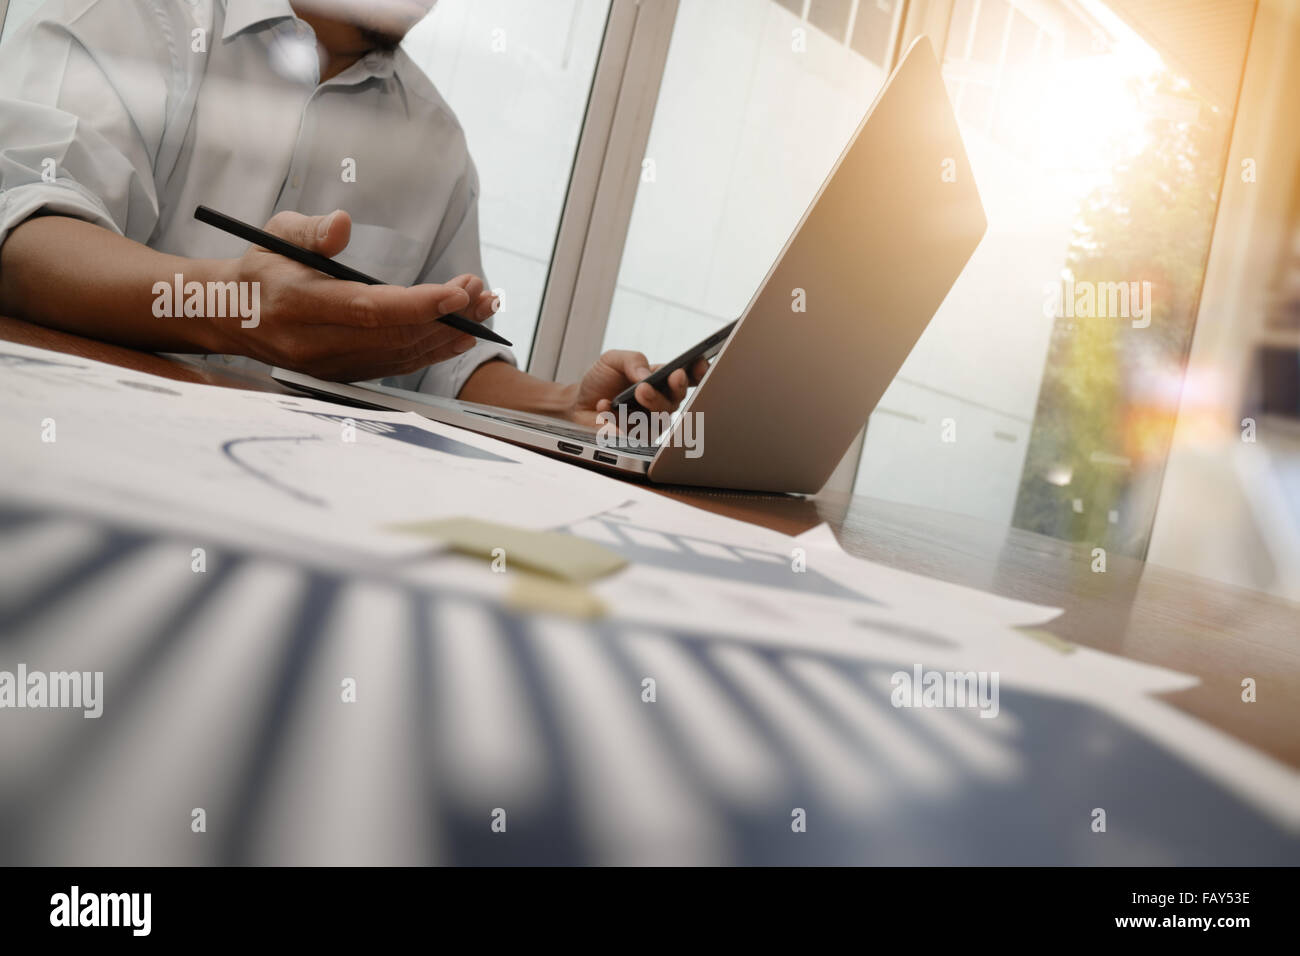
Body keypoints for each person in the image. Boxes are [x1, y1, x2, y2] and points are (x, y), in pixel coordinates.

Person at [0, 0, 705, 426]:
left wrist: (565, 407)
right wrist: (233, 309)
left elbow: (443, 361)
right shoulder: (127, 13)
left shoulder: (436, 139)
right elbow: (26, 239)